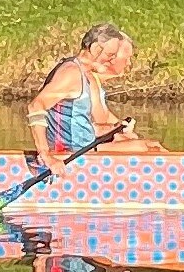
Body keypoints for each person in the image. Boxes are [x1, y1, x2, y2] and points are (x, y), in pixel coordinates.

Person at [24, 23, 166, 169]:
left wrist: (114, 127)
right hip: (71, 155)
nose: (112, 61)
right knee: (145, 148)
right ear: (95, 49)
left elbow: (75, 124)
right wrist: (46, 155)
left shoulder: (81, 72)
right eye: (110, 55)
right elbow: (36, 106)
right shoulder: (71, 73)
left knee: (150, 146)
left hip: (83, 148)